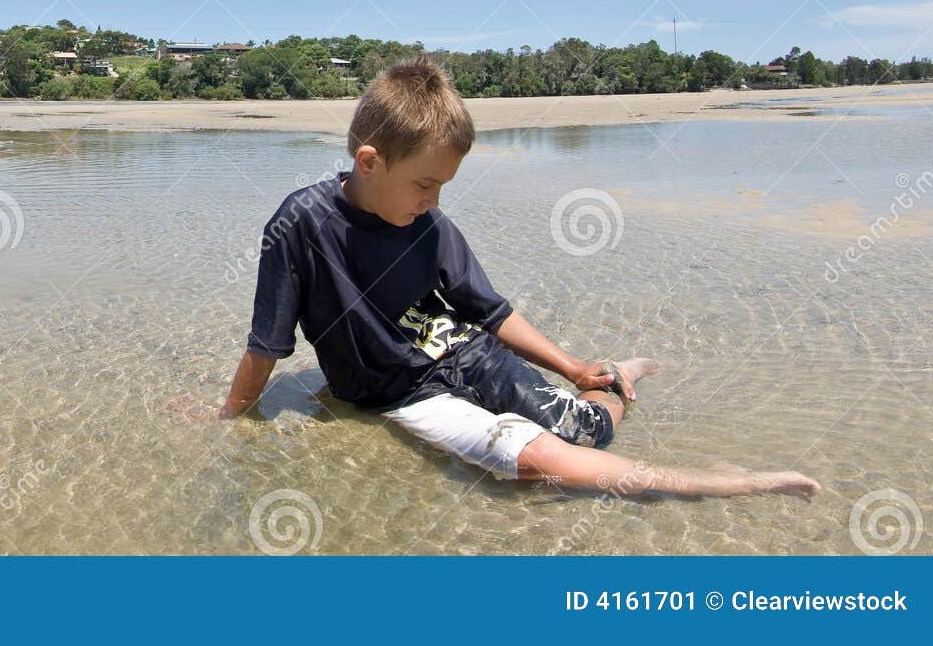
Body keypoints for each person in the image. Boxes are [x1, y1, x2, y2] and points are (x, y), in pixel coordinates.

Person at [214, 60, 820, 500]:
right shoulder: (300, 225)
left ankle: (613, 378)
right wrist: (229, 419)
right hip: (402, 393)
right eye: (425, 184)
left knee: (585, 430)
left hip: (469, 354)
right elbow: (267, 343)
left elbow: (492, 314)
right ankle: (720, 485)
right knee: (534, 465)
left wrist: (575, 367)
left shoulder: (431, 227)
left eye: (443, 186)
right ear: (370, 162)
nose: (434, 200)